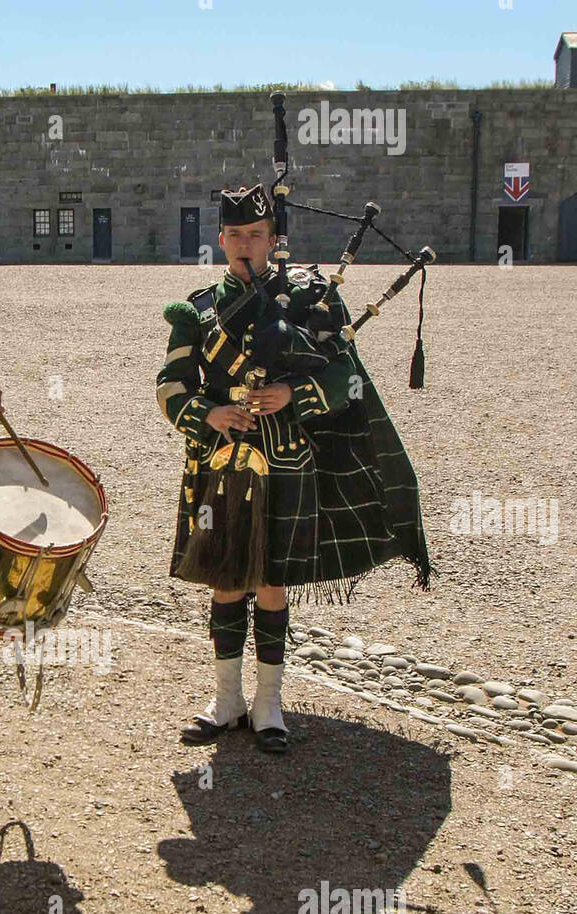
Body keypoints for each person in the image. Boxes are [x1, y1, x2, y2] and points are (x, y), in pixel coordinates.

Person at [156, 184, 430, 753]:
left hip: (285, 461)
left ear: (273, 239)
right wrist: (210, 413)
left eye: (256, 235)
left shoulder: (310, 299)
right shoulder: (197, 308)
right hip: (221, 465)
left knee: (273, 582)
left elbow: (347, 382)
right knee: (226, 579)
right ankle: (226, 700)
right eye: (235, 236)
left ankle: (269, 704)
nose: (244, 245)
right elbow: (169, 388)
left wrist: (293, 393)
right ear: (222, 240)